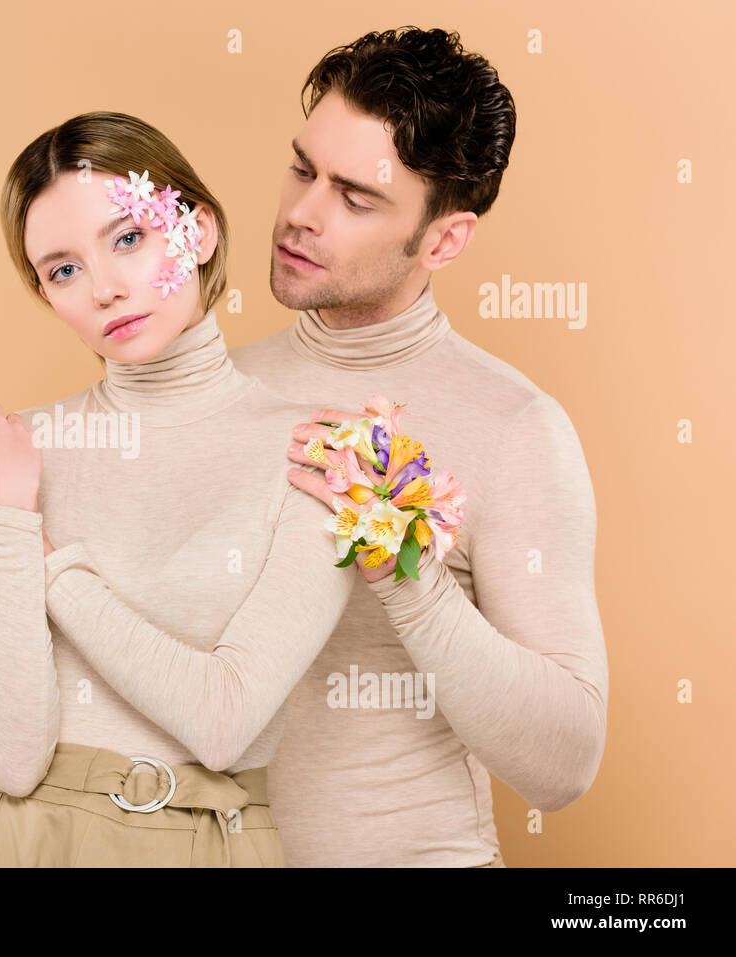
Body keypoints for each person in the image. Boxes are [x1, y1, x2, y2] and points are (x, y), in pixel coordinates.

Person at [0, 111, 356, 867]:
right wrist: (9, 511)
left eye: (127, 238)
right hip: (15, 843)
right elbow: (13, 757)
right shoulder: (9, 455)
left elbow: (224, 722)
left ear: (200, 232)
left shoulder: (320, 452)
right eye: (63, 270)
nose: (106, 289)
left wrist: (51, 564)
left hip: (209, 843)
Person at [232, 26, 608, 866]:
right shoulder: (217, 387)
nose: (301, 212)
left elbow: (566, 762)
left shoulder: (517, 428)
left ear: (443, 240)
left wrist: (408, 572)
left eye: (355, 197)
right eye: (303, 168)